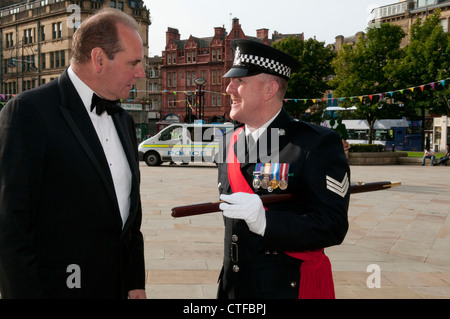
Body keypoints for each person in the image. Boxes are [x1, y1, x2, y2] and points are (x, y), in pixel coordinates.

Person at [0, 9, 146, 299]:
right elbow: (10, 228)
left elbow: (131, 218)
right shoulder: (29, 113)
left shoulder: (124, 120)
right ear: (99, 59)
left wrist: (134, 281)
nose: (140, 73)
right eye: (134, 63)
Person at [216, 39, 350, 299]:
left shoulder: (314, 144)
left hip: (282, 289)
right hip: (233, 288)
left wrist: (268, 222)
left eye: (240, 81)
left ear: (270, 89)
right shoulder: (228, 142)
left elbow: (332, 225)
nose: (229, 88)